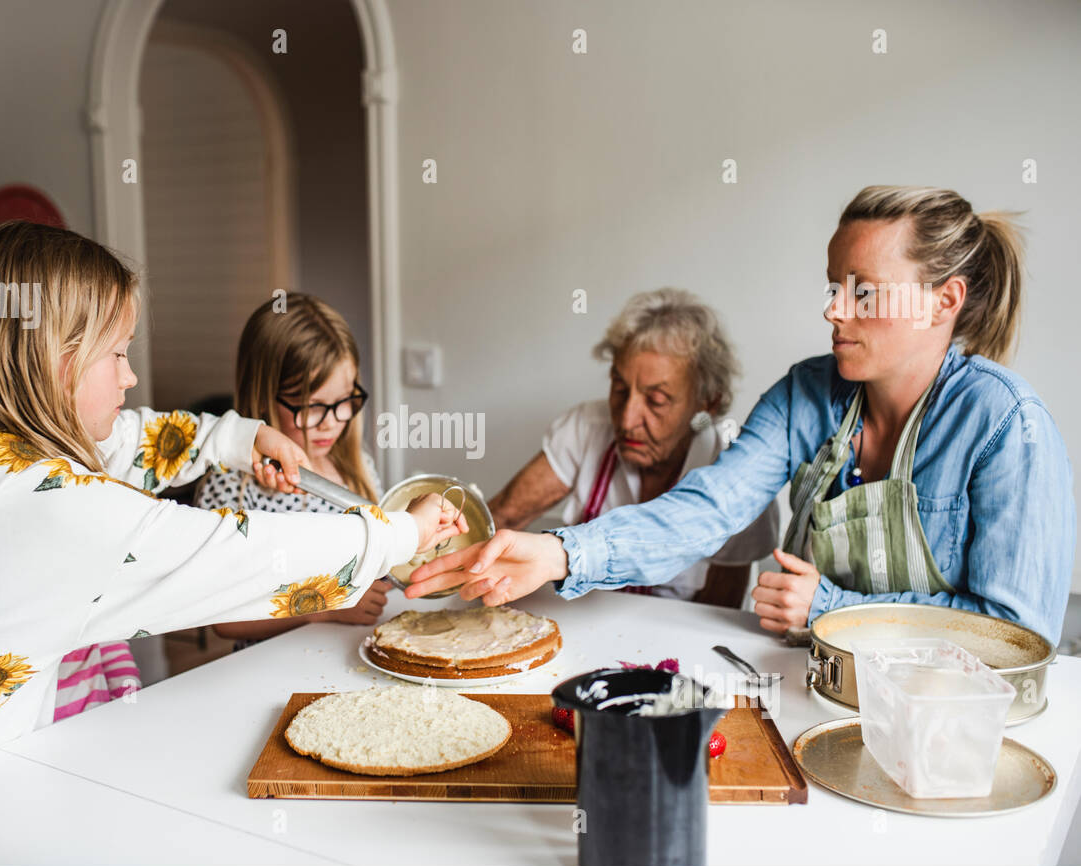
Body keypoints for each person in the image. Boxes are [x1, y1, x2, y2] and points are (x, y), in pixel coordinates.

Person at [0, 221, 465, 828]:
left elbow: (123, 441)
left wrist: (235, 437)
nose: (132, 376)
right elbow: (232, 555)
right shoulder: (40, 510)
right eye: (117, 354)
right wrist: (397, 534)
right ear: (57, 361)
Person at [408, 186, 1075, 645]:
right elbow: (706, 510)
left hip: (947, 729)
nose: (833, 310)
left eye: (863, 291)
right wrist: (559, 552)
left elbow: (1014, 635)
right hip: (819, 684)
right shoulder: (805, 395)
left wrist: (835, 611)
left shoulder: (1005, 426)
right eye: (833, 286)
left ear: (943, 302)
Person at [488, 288, 778, 608]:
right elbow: (504, 517)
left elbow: (717, 616)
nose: (626, 420)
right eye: (620, 388)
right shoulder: (586, 429)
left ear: (707, 403)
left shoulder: (736, 471)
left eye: (656, 400)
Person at [194, 293, 393, 649]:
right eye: (312, 407)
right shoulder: (232, 488)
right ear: (265, 393)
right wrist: (325, 608)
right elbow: (222, 621)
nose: (331, 424)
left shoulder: (355, 464)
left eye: (345, 401)